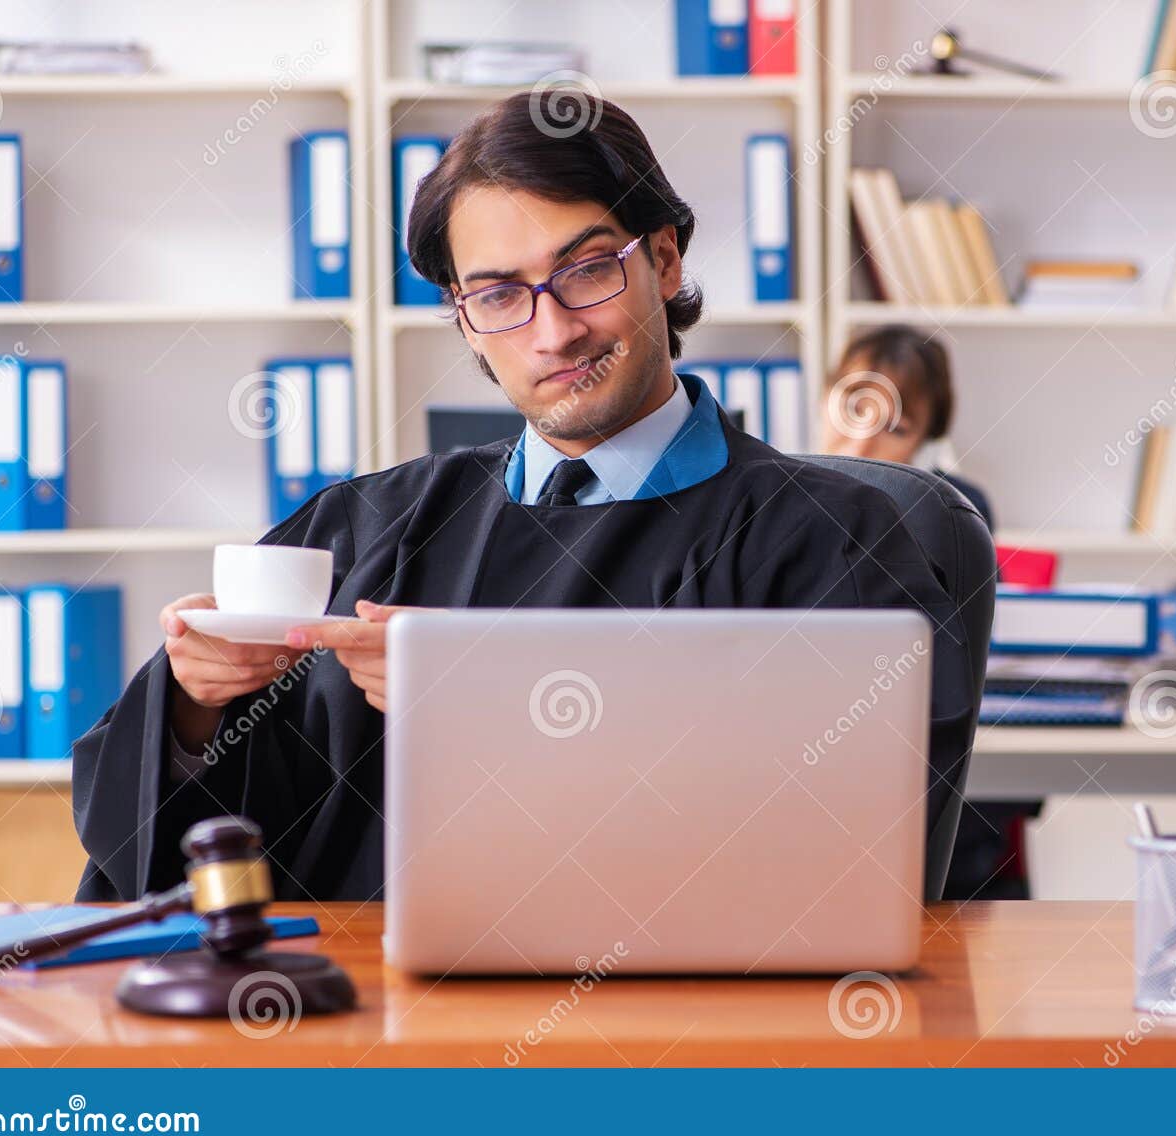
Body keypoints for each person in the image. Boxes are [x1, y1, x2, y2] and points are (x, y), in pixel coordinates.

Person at [71, 95, 978, 904]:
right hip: (352, 1039)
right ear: (465, 319)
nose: (553, 331)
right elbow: (169, 861)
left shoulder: (836, 542)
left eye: (587, 270)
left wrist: (500, 704)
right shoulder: (359, 531)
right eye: (499, 295)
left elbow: (850, 847)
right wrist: (195, 708)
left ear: (664, 260)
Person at [821, 325, 1041, 900]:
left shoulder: (944, 511)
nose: (863, 440)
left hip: (921, 747)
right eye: (853, 406)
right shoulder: (769, 492)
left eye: (896, 427)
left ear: (928, 436)